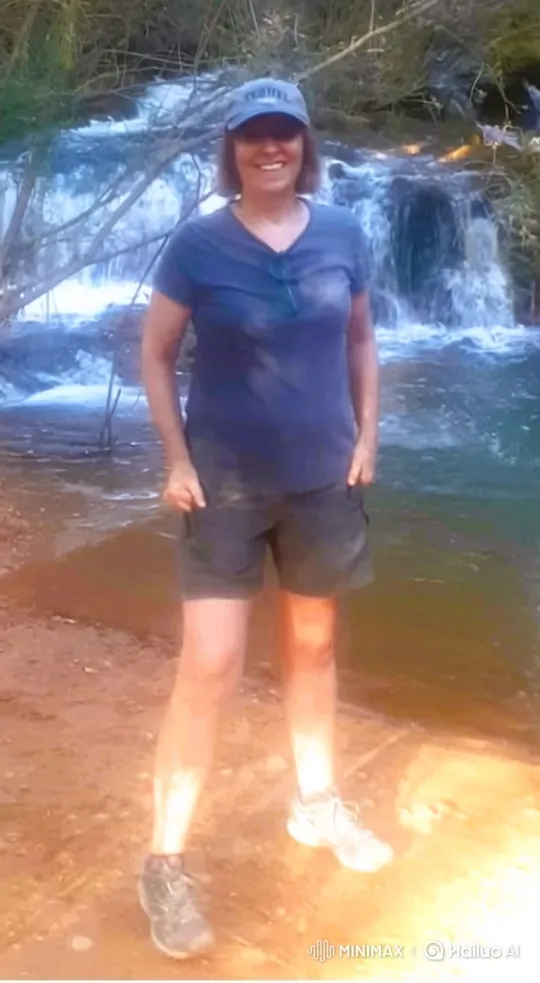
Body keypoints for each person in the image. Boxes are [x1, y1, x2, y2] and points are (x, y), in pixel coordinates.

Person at [139, 77, 393, 960]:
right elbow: (156, 352)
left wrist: (368, 434)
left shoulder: (344, 232)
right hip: (223, 486)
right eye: (254, 136)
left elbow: (360, 338)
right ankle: (164, 860)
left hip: (325, 477)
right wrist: (174, 455)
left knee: (315, 647)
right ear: (233, 149)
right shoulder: (198, 245)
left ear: (304, 144)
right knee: (209, 665)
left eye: (285, 134)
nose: (270, 148)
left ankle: (315, 802)